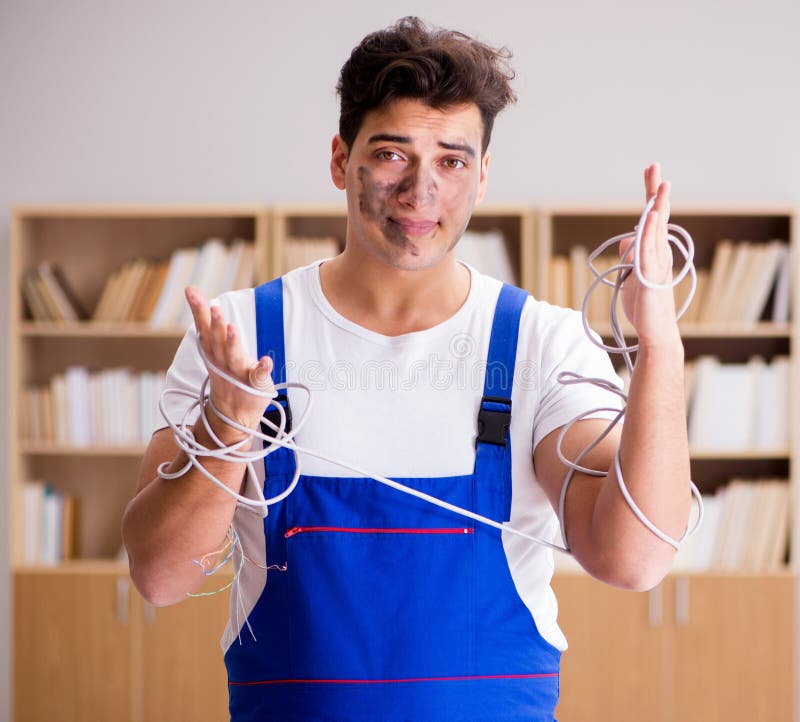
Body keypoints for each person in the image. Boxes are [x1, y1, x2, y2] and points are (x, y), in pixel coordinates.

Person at [122, 16, 691, 722]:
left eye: (452, 160)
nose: (422, 192)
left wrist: (659, 341)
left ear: (482, 175)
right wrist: (231, 416)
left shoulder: (541, 344)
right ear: (340, 160)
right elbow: (162, 577)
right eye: (392, 154)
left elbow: (632, 560)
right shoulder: (235, 337)